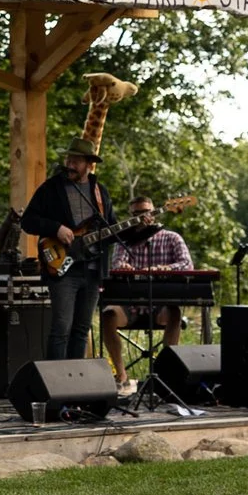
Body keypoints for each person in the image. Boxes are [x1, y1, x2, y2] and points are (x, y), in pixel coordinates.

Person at [19, 140, 115, 365]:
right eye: (68, 159)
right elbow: (28, 221)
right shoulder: (52, 188)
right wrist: (56, 228)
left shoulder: (100, 192)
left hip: (92, 271)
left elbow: (112, 228)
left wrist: (141, 227)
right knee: (61, 327)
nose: (69, 164)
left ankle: (74, 386)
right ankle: (55, 386)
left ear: (89, 164)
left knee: (81, 329)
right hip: (64, 270)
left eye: (76, 161)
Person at [101, 195, 197, 396]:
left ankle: (166, 374)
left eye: (145, 213)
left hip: (160, 304)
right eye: (136, 214)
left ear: (153, 214)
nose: (141, 217)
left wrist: (163, 268)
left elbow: (187, 265)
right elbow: (117, 265)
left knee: (174, 313)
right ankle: (121, 376)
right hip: (131, 306)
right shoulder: (123, 240)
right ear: (130, 216)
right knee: (108, 314)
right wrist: (124, 268)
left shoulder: (172, 238)